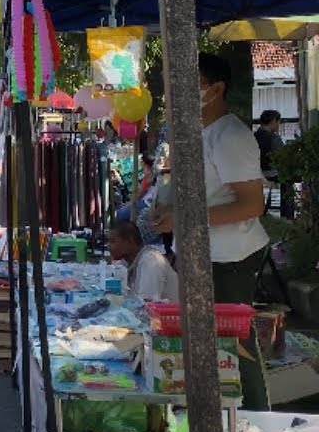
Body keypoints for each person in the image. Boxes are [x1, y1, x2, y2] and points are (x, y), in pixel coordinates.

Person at [154, 53, 271, 410]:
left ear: (216, 88)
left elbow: (252, 205)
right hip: (204, 253)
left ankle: (254, 422)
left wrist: (185, 219)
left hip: (230, 258)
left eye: (187, 84)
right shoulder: (196, 134)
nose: (173, 93)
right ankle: (219, 420)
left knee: (234, 346)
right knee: (210, 345)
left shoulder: (229, 135)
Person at [108, 221, 179, 303]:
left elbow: (146, 304)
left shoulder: (151, 261)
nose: (108, 245)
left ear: (130, 241)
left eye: (113, 241)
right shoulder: (126, 262)